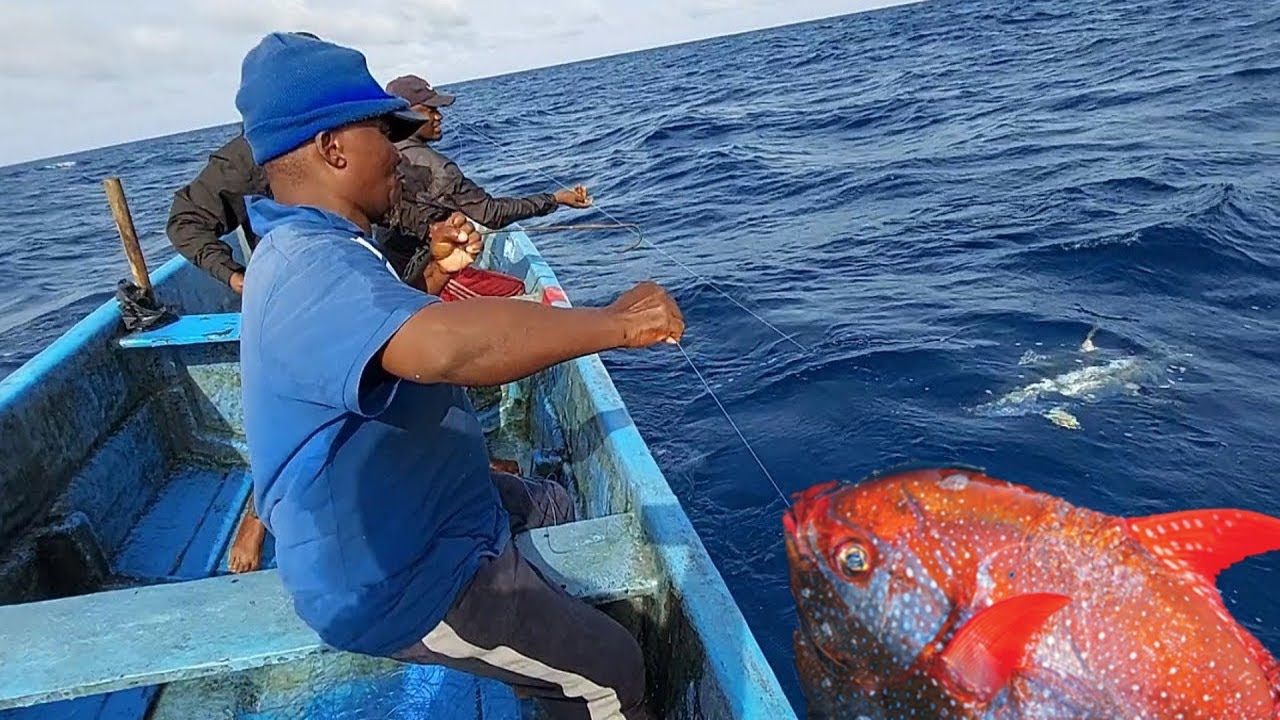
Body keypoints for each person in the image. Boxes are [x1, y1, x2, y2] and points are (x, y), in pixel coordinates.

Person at [234, 32, 682, 719]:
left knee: (555, 503)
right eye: (385, 133)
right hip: (404, 578)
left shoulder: (330, 247)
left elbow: (385, 330)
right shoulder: (305, 270)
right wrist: (619, 325)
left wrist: (435, 270)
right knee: (612, 670)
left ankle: (543, 628)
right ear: (333, 149)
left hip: (436, 502)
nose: (400, 154)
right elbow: (446, 349)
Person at [379, 74, 593, 280]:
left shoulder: (378, 155)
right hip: (418, 270)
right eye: (430, 110)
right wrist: (556, 199)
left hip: (385, 263)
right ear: (405, 114)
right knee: (512, 288)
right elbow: (491, 214)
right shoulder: (439, 169)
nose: (439, 116)